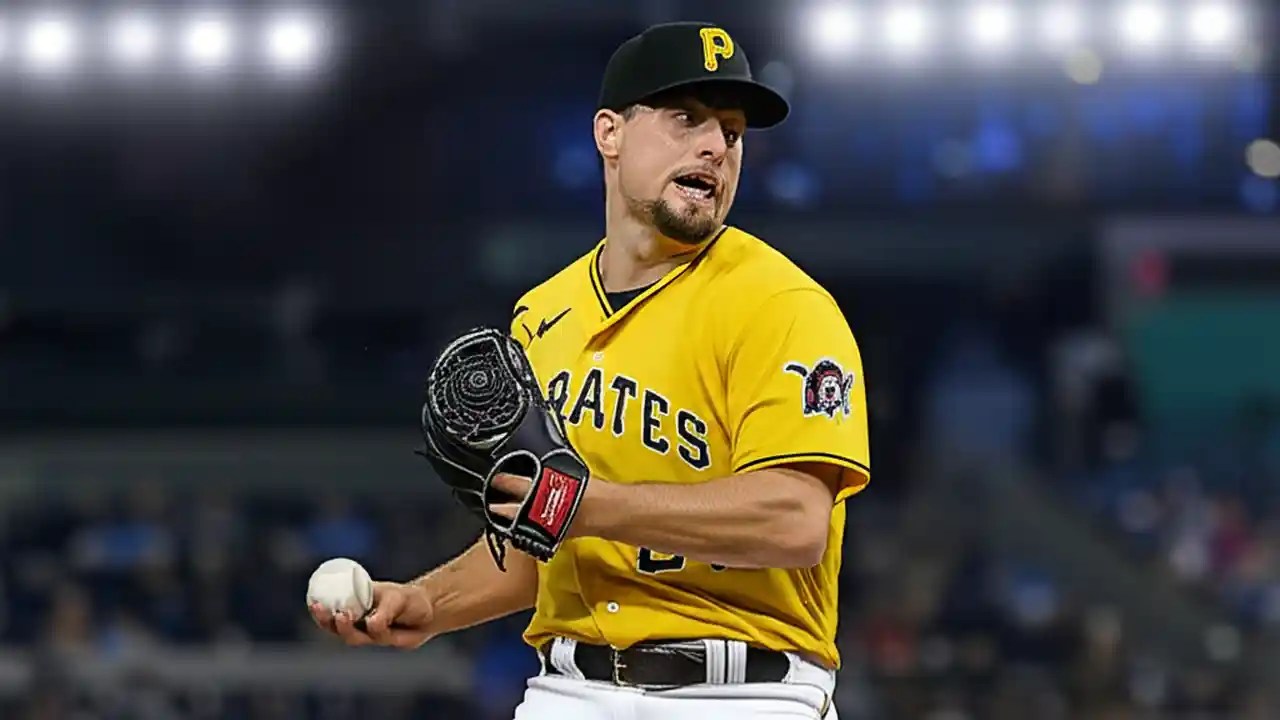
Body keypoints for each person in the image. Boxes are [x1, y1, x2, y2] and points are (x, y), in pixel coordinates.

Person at [310, 21, 871, 720]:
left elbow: (794, 521)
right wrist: (428, 601)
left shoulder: (780, 305)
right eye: (685, 118)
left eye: (732, 131)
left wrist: (589, 505)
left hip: (743, 691)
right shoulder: (541, 317)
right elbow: (539, 539)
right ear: (610, 133)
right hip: (569, 691)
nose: (715, 146)